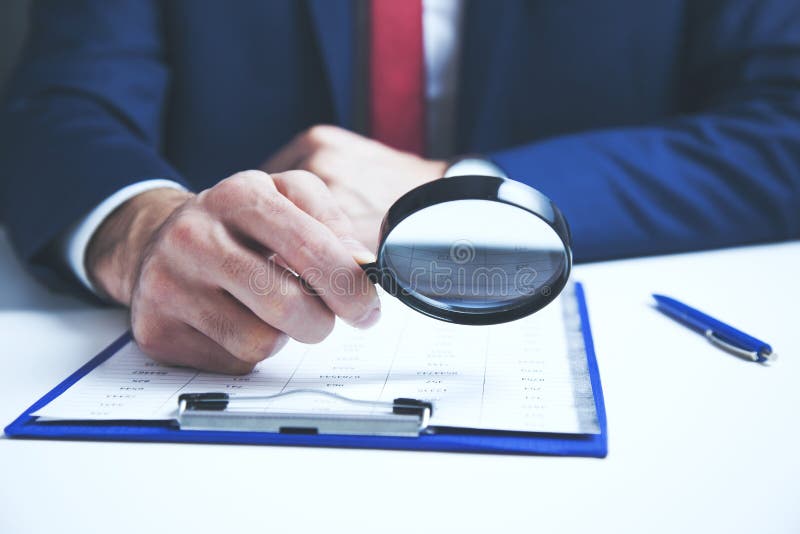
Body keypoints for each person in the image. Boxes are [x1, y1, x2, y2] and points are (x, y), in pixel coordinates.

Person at [1, 0, 798, 373]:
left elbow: (786, 121)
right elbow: (59, 104)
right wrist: (142, 231)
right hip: (241, 360)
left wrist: (454, 188)